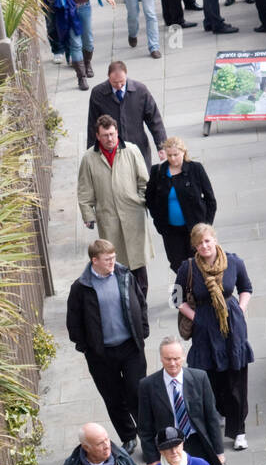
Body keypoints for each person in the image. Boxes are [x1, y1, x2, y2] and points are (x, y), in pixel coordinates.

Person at [175, 223, 253, 451]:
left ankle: (239, 430)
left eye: (207, 241)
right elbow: (176, 298)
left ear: (215, 240)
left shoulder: (234, 262)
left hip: (232, 328)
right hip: (205, 329)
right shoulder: (188, 268)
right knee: (210, 378)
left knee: (236, 380)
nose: (204, 246)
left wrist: (239, 308)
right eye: (199, 243)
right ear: (195, 246)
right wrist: (195, 317)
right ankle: (219, 411)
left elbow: (246, 287)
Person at [66, 239, 148, 453]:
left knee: (136, 391)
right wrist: (87, 347)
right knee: (113, 398)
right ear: (94, 260)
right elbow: (73, 322)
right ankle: (128, 436)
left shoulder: (124, 276)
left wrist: (143, 329)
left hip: (130, 347)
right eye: (107, 259)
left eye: (113, 257)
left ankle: (147, 436)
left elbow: (140, 302)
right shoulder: (81, 287)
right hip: (101, 354)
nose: (113, 262)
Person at [77, 114, 155, 298]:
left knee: (138, 262)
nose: (110, 139)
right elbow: (84, 189)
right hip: (108, 217)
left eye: (112, 134)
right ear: (97, 136)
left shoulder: (131, 150)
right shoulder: (89, 158)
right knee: (115, 262)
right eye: (105, 135)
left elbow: (144, 181)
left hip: (133, 215)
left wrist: (142, 201)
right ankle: (125, 299)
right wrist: (88, 214)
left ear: (117, 132)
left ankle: (141, 301)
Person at [137, 336, 233, 465]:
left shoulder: (200, 378)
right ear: (161, 358)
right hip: (169, 447)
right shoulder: (147, 386)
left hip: (198, 442)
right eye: (167, 359)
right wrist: (153, 460)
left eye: (176, 358)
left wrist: (219, 452)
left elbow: (211, 418)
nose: (172, 363)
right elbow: (145, 427)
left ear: (183, 357)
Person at [144, 136, 217, 272]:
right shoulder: (157, 172)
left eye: (176, 155)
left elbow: (210, 199)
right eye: (169, 155)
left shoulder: (196, 169)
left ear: (183, 152)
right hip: (170, 231)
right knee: (178, 265)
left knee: (199, 265)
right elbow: (149, 199)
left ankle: (200, 291)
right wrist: (158, 222)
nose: (172, 158)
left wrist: (206, 226)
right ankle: (184, 292)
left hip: (195, 229)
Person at [86, 61, 167, 171]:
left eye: (122, 82)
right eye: (115, 83)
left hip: (139, 148)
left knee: (144, 183)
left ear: (126, 75)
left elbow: (154, 120)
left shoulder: (140, 90)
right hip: (112, 151)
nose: (119, 86)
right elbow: (92, 126)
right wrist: (91, 153)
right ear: (108, 77)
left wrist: (162, 146)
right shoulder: (98, 93)